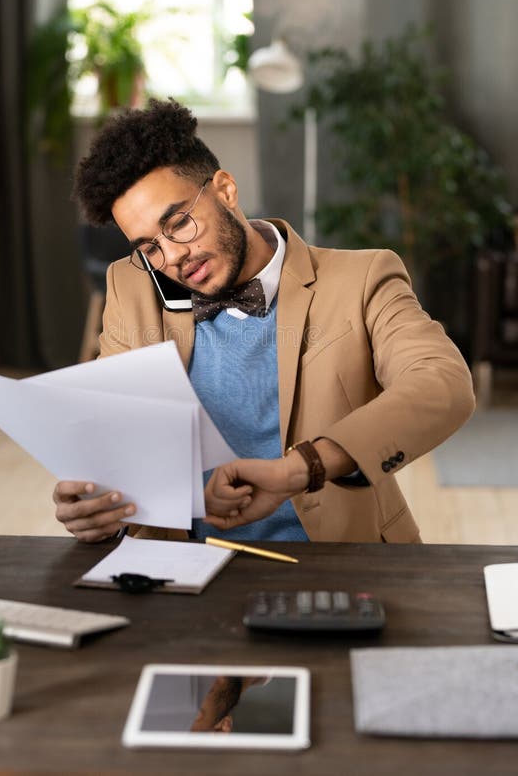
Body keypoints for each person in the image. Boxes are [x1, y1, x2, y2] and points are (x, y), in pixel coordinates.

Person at [53, 99, 475, 544]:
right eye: (149, 247)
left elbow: (442, 384)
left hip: (342, 561)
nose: (172, 256)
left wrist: (303, 467)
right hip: (184, 566)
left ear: (225, 190)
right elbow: (112, 431)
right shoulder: (132, 285)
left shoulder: (362, 279)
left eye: (178, 223)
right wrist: (97, 506)